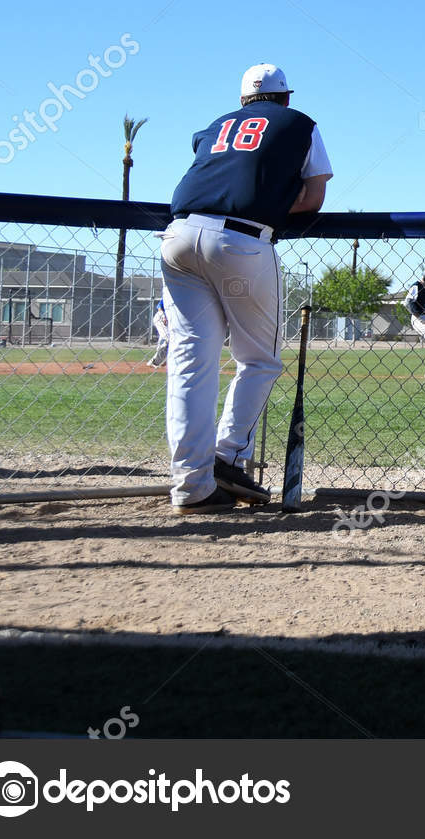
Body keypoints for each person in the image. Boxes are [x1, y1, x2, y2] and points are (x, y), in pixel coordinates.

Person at [161, 64, 332, 514]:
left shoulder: (215, 127)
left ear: (242, 101)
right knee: (258, 359)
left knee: (190, 363)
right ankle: (226, 456)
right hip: (239, 240)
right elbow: (312, 199)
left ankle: (190, 485)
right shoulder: (300, 123)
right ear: (285, 99)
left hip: (177, 236)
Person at [146, 300, 170, 367]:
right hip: (161, 318)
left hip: (168, 320)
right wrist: (163, 315)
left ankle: (156, 360)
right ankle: (156, 361)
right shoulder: (170, 295)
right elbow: (159, 305)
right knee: (167, 339)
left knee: (165, 339)